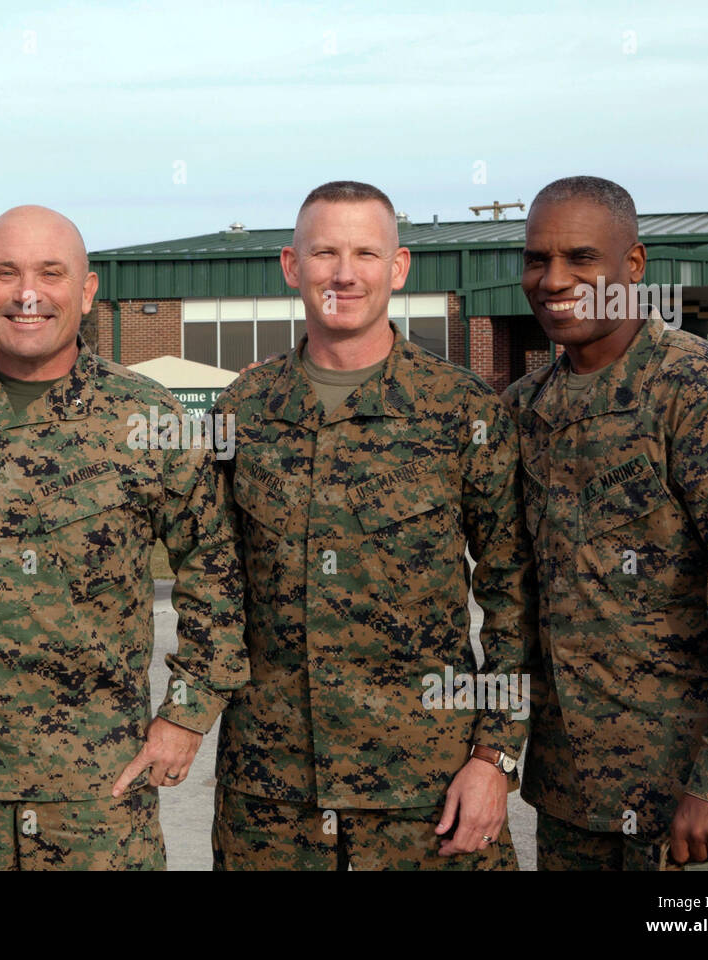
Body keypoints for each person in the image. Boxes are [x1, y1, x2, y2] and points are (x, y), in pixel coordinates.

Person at [0, 204, 248, 870]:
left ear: (86, 291)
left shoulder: (145, 416)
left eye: (51, 273)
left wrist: (187, 713)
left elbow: (218, 565)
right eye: (6, 273)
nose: (28, 293)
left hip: (97, 801)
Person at [503, 175, 708, 870]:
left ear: (633, 267)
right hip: (574, 804)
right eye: (536, 259)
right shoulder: (525, 412)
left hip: (699, 816)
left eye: (581, 258)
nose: (553, 279)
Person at [210, 181, 536, 870]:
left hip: (428, 794)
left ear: (399, 267)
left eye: (365, 252)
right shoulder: (245, 409)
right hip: (272, 802)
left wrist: (495, 758)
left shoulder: (459, 411)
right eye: (324, 252)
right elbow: (210, 580)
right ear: (292, 267)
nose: (345, 273)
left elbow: (516, 598)